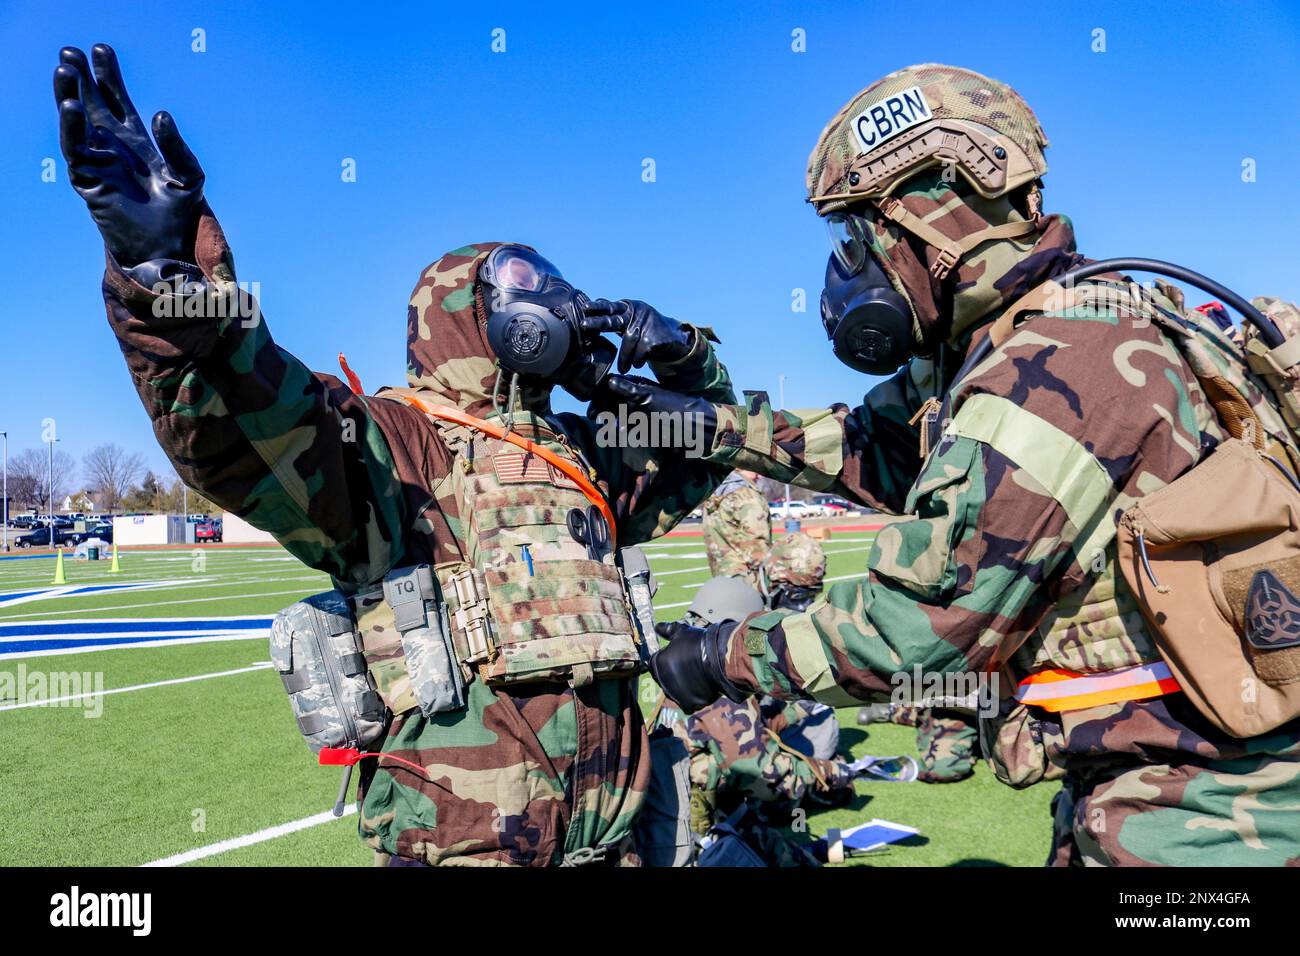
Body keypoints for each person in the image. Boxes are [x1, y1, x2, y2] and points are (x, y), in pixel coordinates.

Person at [55, 44, 737, 866]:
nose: (556, 301)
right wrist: (162, 284)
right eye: (527, 286)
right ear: (469, 315)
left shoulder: (580, 458)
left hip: (617, 849)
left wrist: (682, 354)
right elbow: (241, 416)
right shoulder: (392, 446)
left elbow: (714, 443)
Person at [631, 64, 1300, 865]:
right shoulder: (1047, 335)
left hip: (1208, 816)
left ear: (931, 217)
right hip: (1151, 779)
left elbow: (916, 632)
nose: (849, 268)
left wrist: (720, 655)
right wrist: (702, 426)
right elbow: (868, 444)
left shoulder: (1057, 370)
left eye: (859, 234)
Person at [700, 469, 771, 587]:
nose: (759, 476)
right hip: (747, 579)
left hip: (721, 574)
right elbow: (757, 544)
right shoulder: (747, 497)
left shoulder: (714, 495)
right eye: (755, 470)